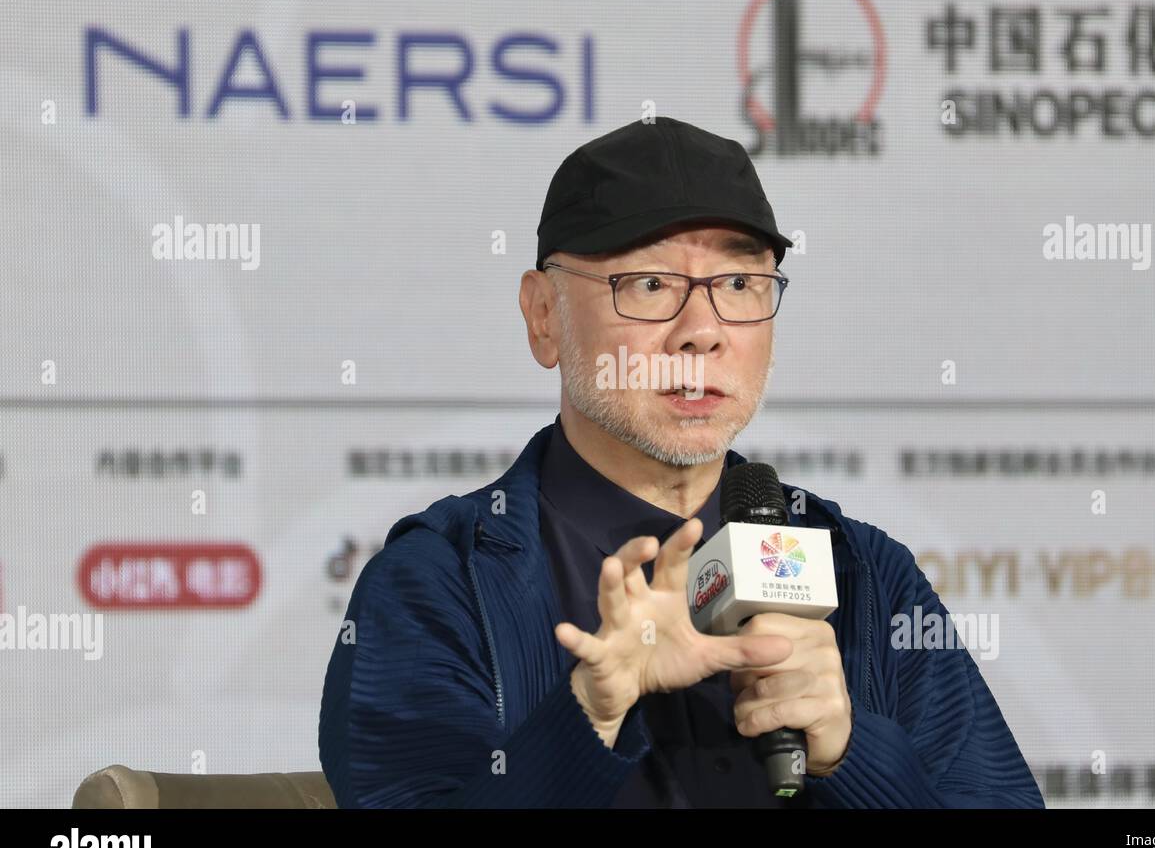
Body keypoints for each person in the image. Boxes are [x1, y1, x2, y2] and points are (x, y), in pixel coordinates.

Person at [318, 115, 1044, 808]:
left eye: (737, 286)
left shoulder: (869, 575)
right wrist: (588, 719)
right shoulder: (437, 583)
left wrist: (851, 755)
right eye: (651, 285)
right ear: (544, 317)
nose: (702, 333)